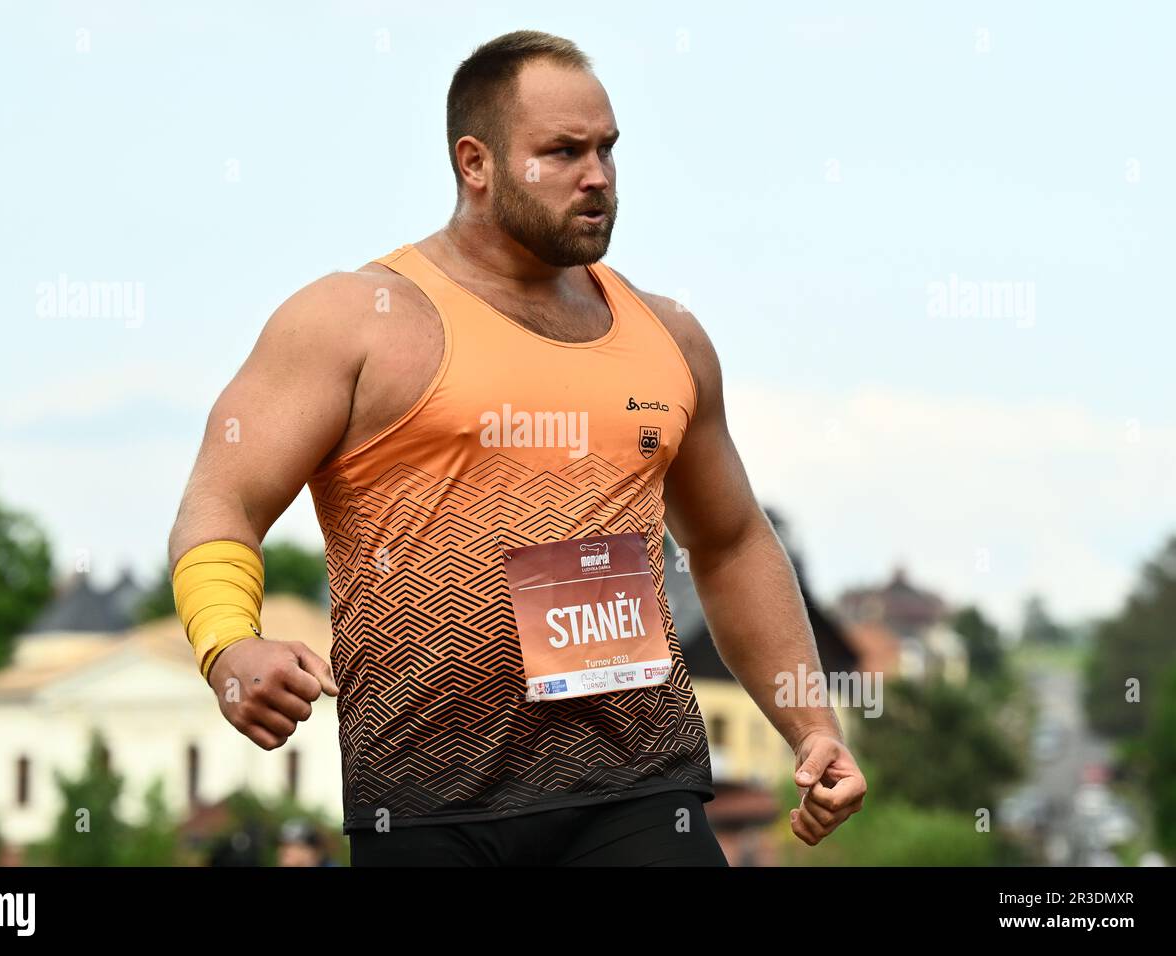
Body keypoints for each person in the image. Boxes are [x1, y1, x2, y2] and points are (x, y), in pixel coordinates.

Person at [168, 30, 866, 866]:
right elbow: (223, 498)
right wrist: (227, 645)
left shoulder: (668, 337)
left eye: (607, 149)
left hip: (640, 787)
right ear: (477, 163)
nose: (598, 175)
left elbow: (730, 540)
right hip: (426, 802)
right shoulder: (353, 322)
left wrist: (811, 725)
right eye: (563, 151)